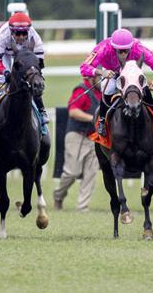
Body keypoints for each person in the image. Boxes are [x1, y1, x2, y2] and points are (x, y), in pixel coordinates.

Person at [79, 28, 153, 138]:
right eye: (120, 51)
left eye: (126, 50)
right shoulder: (103, 48)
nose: (123, 54)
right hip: (112, 75)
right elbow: (84, 67)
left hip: (131, 75)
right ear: (113, 47)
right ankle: (102, 120)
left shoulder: (138, 47)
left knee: (142, 84)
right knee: (108, 88)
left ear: (131, 47)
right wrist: (101, 72)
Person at [0, 12, 48, 133]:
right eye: (18, 33)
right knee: (0, 80)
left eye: (24, 33)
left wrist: (34, 73)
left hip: (27, 55)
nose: (21, 37)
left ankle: (42, 111)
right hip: (5, 54)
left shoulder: (35, 38)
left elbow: (39, 62)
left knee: (33, 82)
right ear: (11, 31)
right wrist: (5, 72)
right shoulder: (1, 37)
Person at [54, 79, 100, 211]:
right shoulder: (81, 90)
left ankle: (82, 207)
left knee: (91, 173)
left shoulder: (104, 92)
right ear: (92, 77)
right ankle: (58, 196)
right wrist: (93, 119)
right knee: (72, 172)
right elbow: (73, 112)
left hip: (94, 138)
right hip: (76, 135)